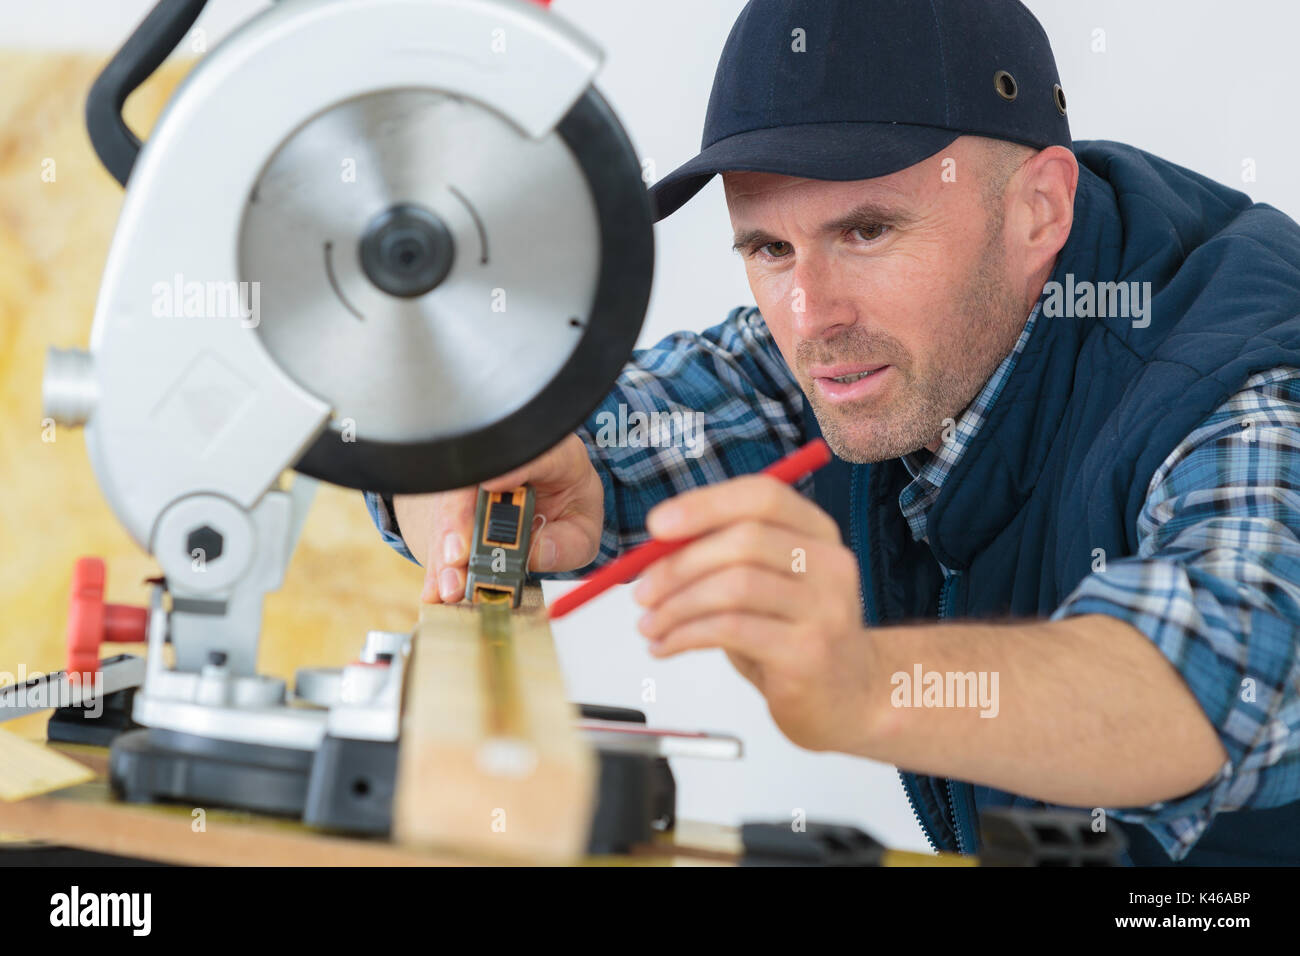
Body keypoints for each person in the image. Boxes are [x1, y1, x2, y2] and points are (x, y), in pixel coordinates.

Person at [366, 0, 1300, 865]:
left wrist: (864, 686)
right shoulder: (874, 347)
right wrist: (470, 469)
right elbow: (564, 445)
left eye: (867, 232)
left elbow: (1221, 678)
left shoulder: (1248, 376)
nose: (811, 317)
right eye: (769, 249)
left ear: (1038, 209)